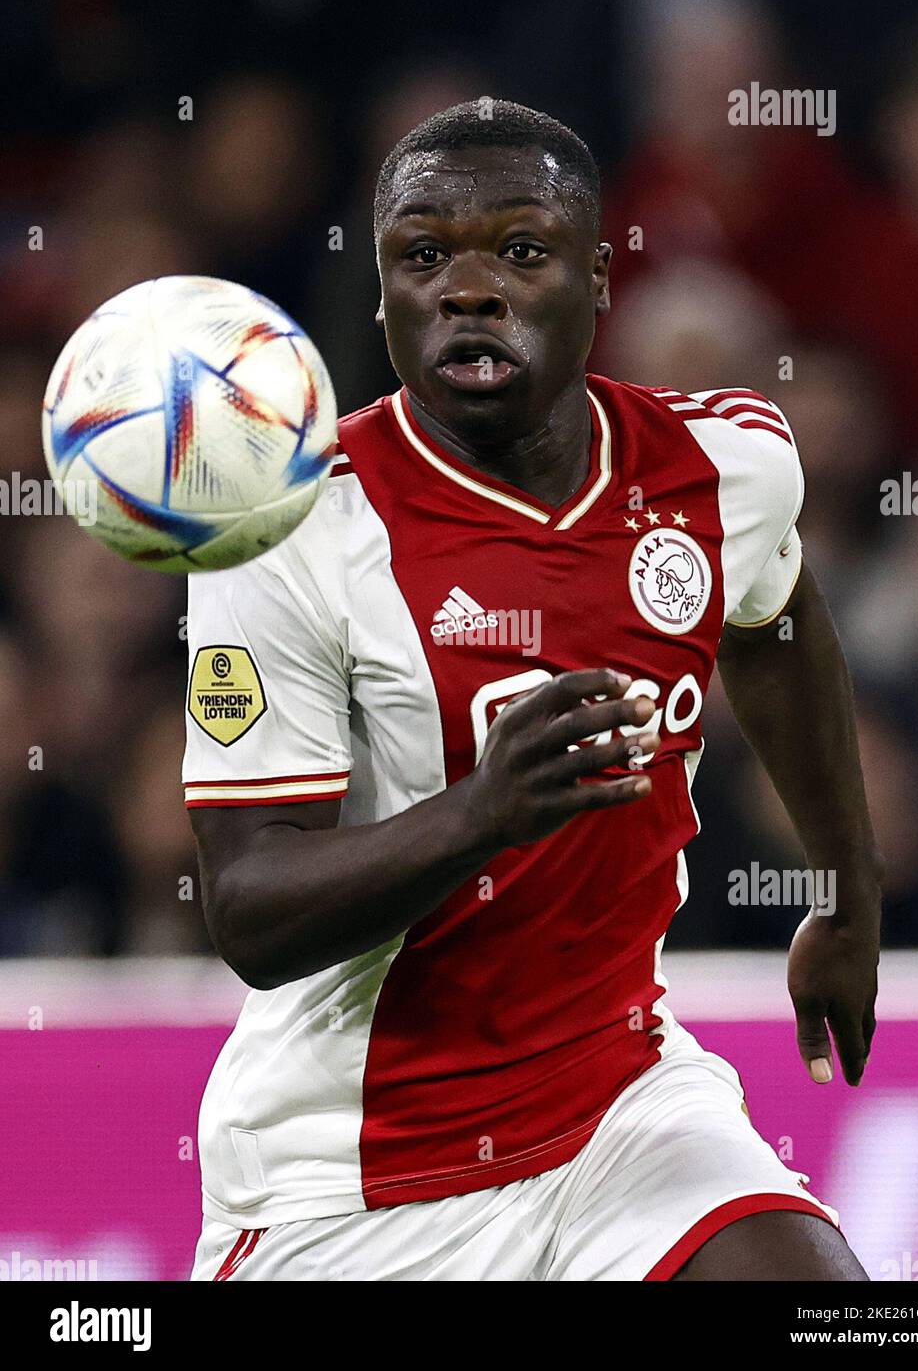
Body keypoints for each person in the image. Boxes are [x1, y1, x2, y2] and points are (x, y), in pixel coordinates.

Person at [184, 100, 881, 1281]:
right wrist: (484, 814)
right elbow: (248, 907)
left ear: (600, 278)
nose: (467, 288)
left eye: (520, 251)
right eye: (422, 256)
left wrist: (848, 900)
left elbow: (777, 620)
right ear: (384, 298)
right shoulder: (285, 533)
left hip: (619, 1103)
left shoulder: (727, 468)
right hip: (349, 1170)